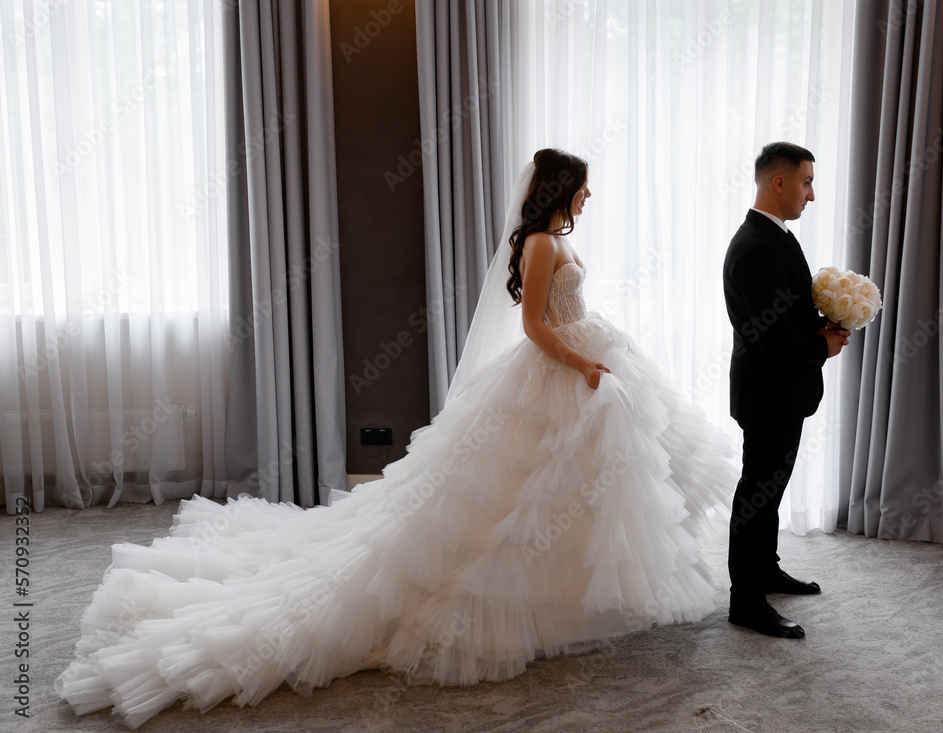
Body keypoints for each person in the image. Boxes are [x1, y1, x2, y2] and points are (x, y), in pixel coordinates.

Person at [56, 149, 736, 728]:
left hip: (586, 368)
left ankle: (581, 596)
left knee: (587, 489)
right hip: (560, 372)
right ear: (562, 186)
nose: (591, 195)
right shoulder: (537, 243)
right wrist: (584, 364)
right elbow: (534, 325)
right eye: (584, 185)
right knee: (521, 498)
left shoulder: (560, 236)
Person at [722, 142, 849, 639]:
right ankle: (745, 601)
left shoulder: (775, 235)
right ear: (779, 182)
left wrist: (823, 323)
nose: (811, 195)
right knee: (757, 492)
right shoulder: (757, 245)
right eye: (806, 182)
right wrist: (822, 346)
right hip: (766, 392)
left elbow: (786, 311)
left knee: (770, 488)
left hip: (781, 390)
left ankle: (766, 570)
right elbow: (769, 334)